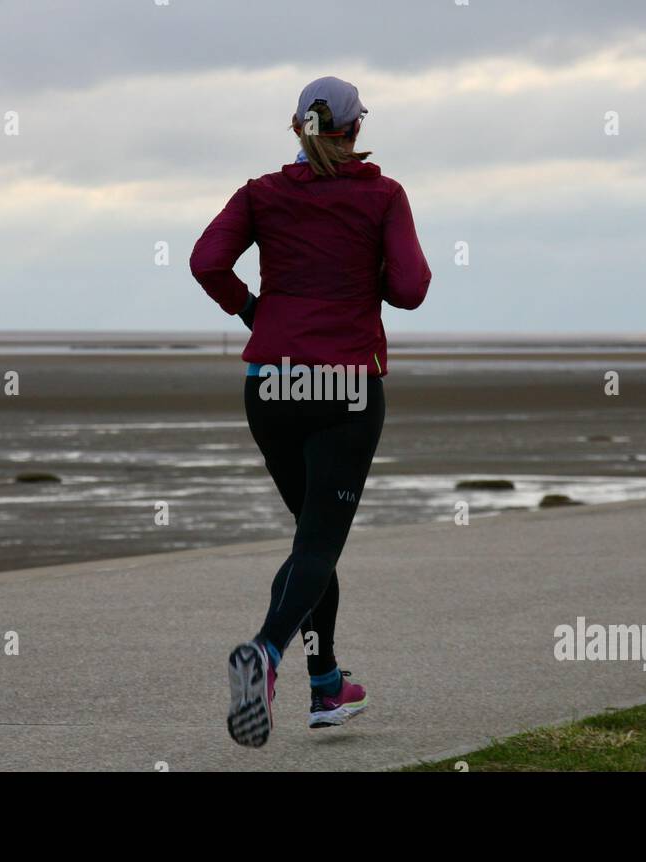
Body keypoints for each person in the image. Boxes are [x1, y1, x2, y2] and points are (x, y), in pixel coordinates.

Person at [190, 76, 431, 748]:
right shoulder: (382, 196)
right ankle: (266, 653)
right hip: (346, 386)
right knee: (320, 544)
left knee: (309, 542)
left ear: (298, 128)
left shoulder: (261, 194)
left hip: (271, 383)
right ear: (355, 130)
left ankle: (325, 683)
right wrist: (365, 278)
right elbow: (411, 289)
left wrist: (253, 310)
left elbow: (207, 261)